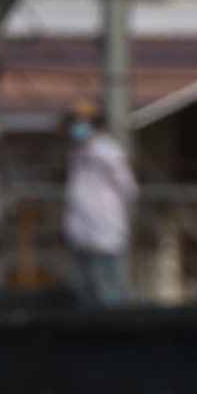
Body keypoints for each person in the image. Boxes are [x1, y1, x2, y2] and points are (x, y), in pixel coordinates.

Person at [63, 101, 138, 306]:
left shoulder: (108, 152)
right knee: (86, 287)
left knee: (107, 287)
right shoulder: (76, 152)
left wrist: (122, 216)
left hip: (105, 227)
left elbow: (127, 187)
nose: (77, 127)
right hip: (82, 228)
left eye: (82, 122)